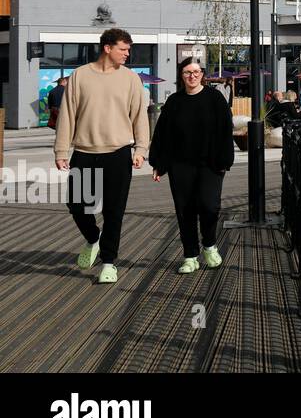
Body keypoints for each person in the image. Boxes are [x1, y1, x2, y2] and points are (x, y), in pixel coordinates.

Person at [54, 28, 150, 285]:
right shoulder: (80, 76)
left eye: (129, 50)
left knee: (113, 212)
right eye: (123, 49)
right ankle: (93, 239)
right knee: (77, 206)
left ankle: (108, 262)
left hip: (119, 154)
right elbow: (68, 114)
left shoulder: (131, 79)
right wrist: (61, 150)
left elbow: (140, 116)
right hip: (84, 153)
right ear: (107, 48)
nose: (127, 54)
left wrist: (141, 149)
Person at [149, 58, 234, 274]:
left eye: (196, 72)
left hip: (210, 164)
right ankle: (190, 255)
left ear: (202, 74)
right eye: (187, 72)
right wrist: (158, 163)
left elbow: (226, 130)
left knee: (209, 206)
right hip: (181, 165)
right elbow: (162, 134)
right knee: (185, 210)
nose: (192, 76)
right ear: (181, 75)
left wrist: (224, 160)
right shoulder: (174, 102)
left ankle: (209, 244)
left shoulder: (215, 98)